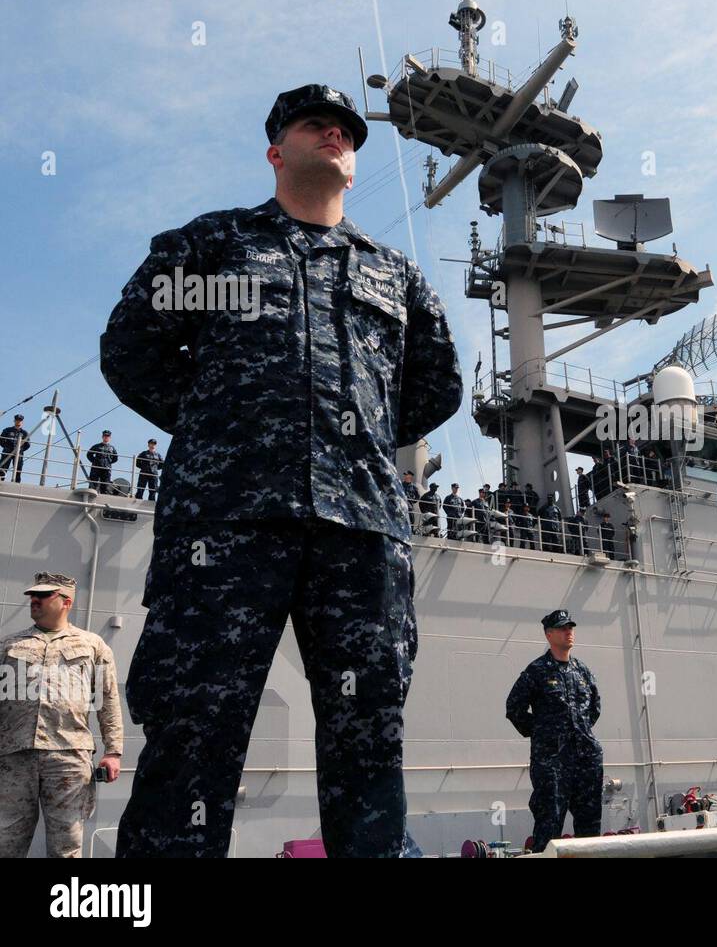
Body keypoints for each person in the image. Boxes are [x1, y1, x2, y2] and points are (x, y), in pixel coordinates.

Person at [99, 83, 462, 857]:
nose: (333, 132)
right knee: (193, 729)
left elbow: (436, 386)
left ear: (354, 166)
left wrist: (346, 439)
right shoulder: (210, 247)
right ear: (276, 150)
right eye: (313, 123)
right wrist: (221, 430)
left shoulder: (395, 275)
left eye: (345, 130)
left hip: (360, 530)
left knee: (369, 737)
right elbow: (130, 352)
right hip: (225, 524)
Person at [0, 573, 122, 858]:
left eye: (43, 596)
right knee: (5, 841)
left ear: (66, 601)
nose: (34, 600)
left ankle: (65, 901)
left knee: (67, 845)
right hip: (14, 757)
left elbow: (107, 700)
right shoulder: (8, 646)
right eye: (32, 595)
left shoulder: (93, 646)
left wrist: (113, 751)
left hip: (68, 757)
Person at [505, 610, 603, 853]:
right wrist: (541, 734)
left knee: (590, 828)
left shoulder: (582, 671)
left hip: (586, 759)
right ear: (549, 635)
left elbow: (595, 707)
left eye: (570, 627)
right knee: (549, 826)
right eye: (562, 628)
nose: (568, 632)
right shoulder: (537, 671)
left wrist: (580, 733)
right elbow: (514, 707)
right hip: (552, 763)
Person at [0, 414, 31, 483]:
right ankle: (1, 482)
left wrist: (20, 450)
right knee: (2, 468)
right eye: (17, 420)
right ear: (14, 421)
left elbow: (27, 444)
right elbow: (1, 440)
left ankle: (16, 484)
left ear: (22, 422)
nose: (18, 422)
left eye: (20, 420)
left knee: (18, 469)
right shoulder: (7, 430)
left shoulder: (24, 433)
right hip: (7, 452)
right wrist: (6, 447)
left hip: (18, 453)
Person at [87, 430, 118, 494]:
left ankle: (103, 499)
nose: (106, 437)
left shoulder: (112, 448)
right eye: (105, 436)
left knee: (105, 486)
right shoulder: (96, 446)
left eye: (107, 436)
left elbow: (115, 458)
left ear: (110, 438)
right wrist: (95, 461)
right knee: (93, 484)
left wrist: (109, 462)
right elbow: (89, 454)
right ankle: (90, 496)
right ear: (102, 437)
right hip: (96, 468)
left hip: (106, 469)